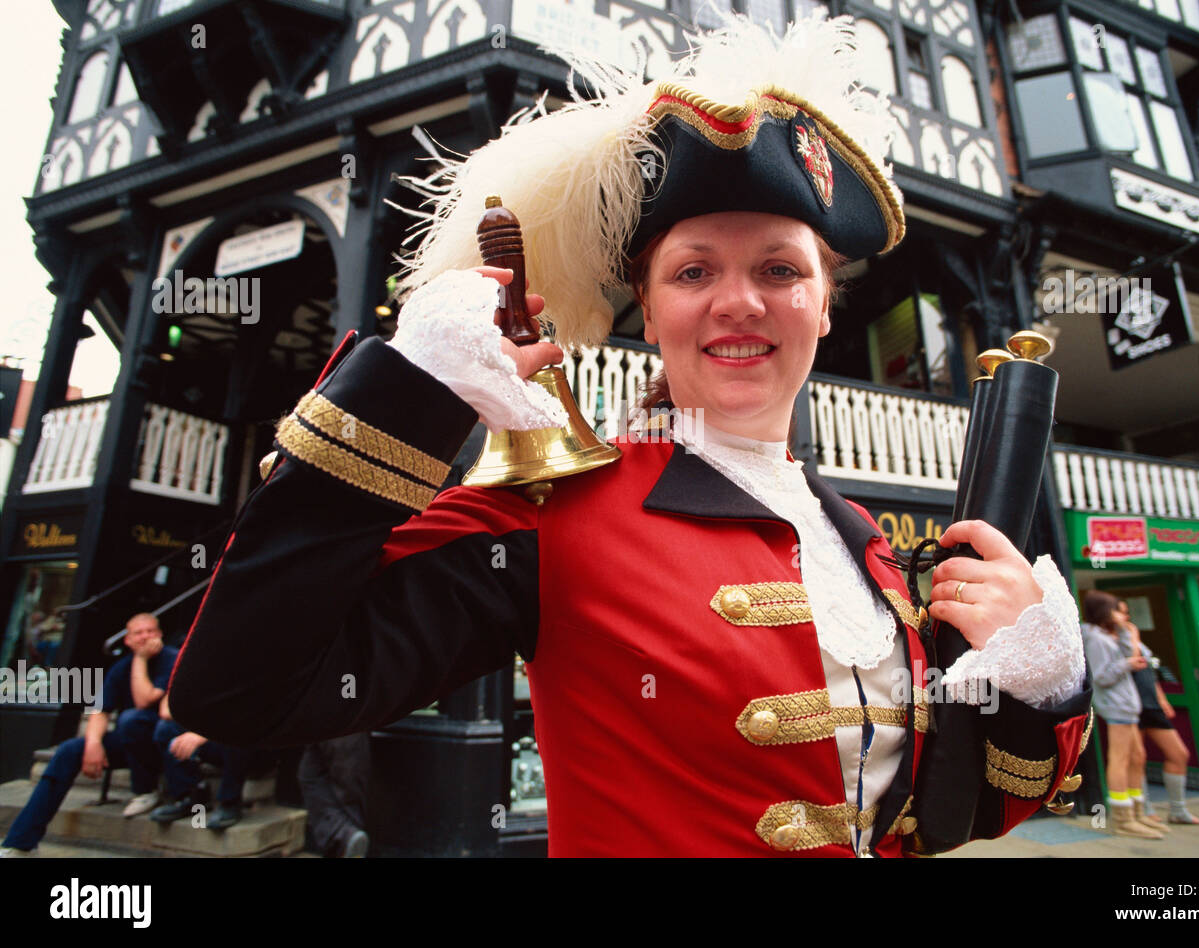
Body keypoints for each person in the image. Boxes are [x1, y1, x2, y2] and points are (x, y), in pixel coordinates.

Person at [169, 13, 1092, 857]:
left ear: (822, 309)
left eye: (780, 268)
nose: (740, 301)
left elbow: (961, 812)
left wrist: (1041, 677)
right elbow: (243, 691)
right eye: (694, 272)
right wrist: (409, 393)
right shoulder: (551, 516)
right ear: (648, 312)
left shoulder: (870, 550)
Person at [1, 613, 177, 855]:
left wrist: (140, 659)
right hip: (130, 743)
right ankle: (21, 843)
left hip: (165, 743)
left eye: (151, 631)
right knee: (69, 751)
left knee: (131, 719)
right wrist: (93, 744)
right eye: (138, 632)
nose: (145, 636)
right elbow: (99, 710)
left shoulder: (172, 659)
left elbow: (144, 699)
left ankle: (145, 790)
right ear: (127, 639)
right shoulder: (120, 668)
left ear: (160, 634)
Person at [1080, 590, 1162, 840]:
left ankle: (1138, 812)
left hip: (1127, 704)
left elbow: (1130, 654)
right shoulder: (1095, 638)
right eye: (1117, 609)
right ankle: (1123, 818)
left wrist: (1126, 631)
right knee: (1120, 759)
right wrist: (1127, 665)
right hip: (1116, 705)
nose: (1122, 614)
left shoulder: (1107, 635)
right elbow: (1101, 676)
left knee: (1137, 757)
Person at [1119, 601, 1199, 826]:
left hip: (1151, 703)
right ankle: (1143, 808)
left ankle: (1178, 808)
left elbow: (1148, 670)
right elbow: (1134, 661)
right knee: (1136, 758)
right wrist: (1133, 635)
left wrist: (1162, 698)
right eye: (1120, 612)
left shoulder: (1132, 638)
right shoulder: (1112, 639)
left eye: (1127, 612)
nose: (1125, 616)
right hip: (1130, 703)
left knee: (1178, 754)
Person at [147, 694, 261, 830]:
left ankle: (230, 801)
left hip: (256, 743)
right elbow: (167, 710)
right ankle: (191, 796)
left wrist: (203, 733)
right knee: (165, 729)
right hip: (213, 734)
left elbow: (248, 710)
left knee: (238, 728)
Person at [297, 734, 371, 858]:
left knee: (347, 796)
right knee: (309, 775)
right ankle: (343, 834)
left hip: (346, 725)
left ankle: (345, 839)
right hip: (319, 723)